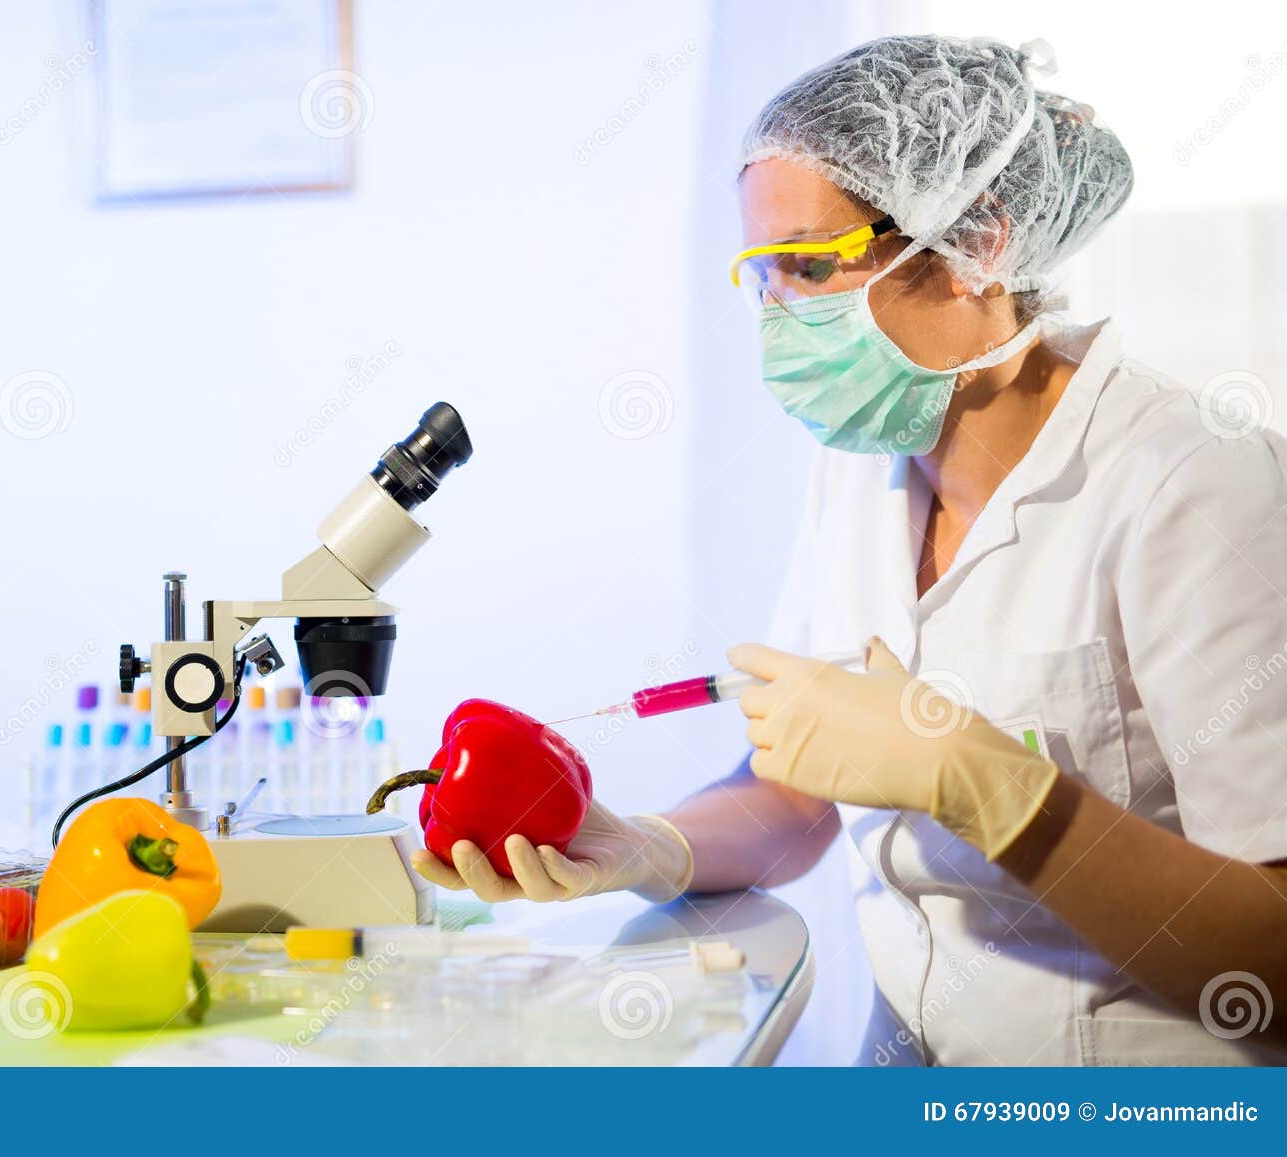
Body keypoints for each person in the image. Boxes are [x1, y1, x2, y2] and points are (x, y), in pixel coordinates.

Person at [413, 34, 1287, 1066]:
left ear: (978, 246)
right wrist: (648, 846)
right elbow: (799, 794)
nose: (778, 319)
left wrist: (994, 788)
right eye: (762, 277)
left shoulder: (1191, 483)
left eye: (810, 265)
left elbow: (1272, 954)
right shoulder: (863, 464)